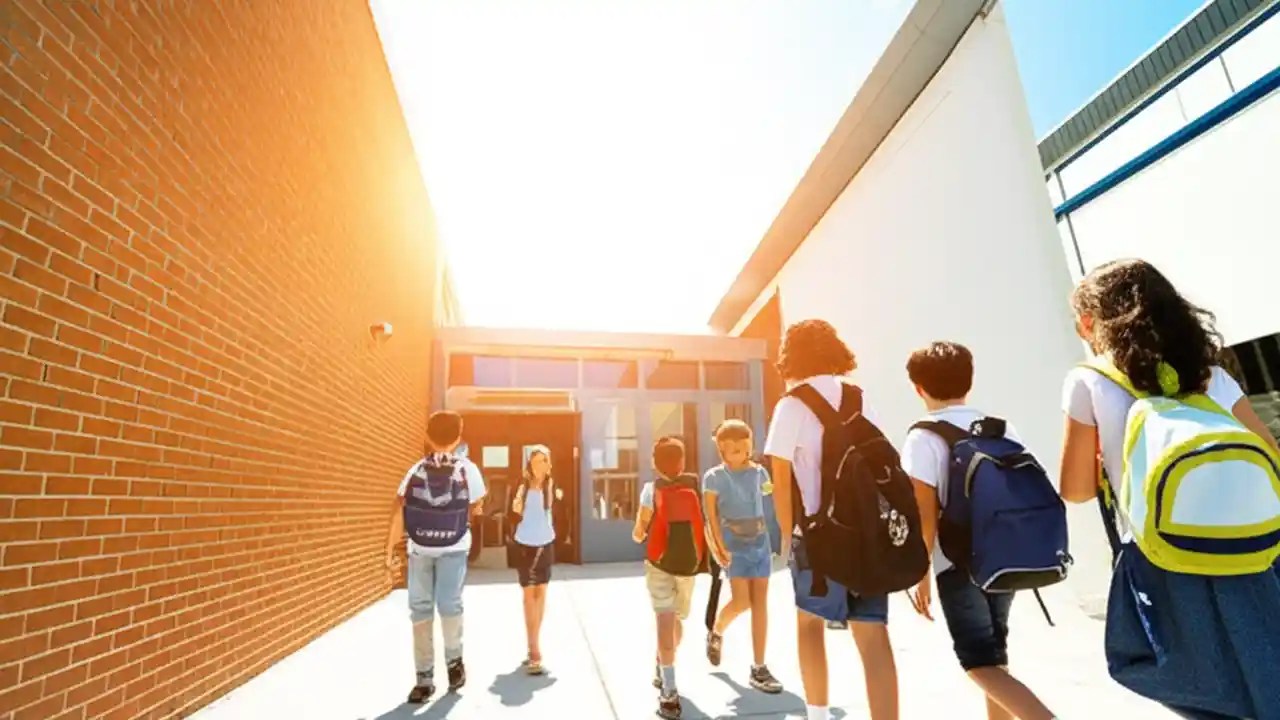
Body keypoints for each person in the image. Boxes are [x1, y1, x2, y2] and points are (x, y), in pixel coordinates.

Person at [1057, 259, 1280, 717]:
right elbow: (1269, 452)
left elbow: (1075, 489)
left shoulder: (1089, 380)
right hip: (1251, 548)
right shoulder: (1210, 375)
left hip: (1163, 555)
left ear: (1090, 321)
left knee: (1200, 685)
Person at [900, 342, 1056, 720]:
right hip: (1004, 555)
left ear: (918, 388)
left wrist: (919, 572)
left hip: (957, 563)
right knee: (995, 656)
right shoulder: (1002, 428)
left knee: (977, 662)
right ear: (969, 381)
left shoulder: (922, 437)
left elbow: (924, 513)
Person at [764, 319, 899, 720]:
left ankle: (819, 715)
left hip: (818, 533)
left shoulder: (791, 405)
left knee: (809, 624)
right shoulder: (860, 397)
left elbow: (781, 475)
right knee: (873, 635)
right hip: (867, 532)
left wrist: (787, 536)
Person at [385, 411, 487, 704]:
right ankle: (454, 664)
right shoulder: (468, 469)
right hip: (454, 547)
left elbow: (398, 510)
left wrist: (390, 550)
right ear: (458, 438)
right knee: (450, 604)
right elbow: (477, 505)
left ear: (427, 436)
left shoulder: (415, 469)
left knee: (420, 609)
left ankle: (424, 679)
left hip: (419, 549)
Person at [703, 420, 784, 694]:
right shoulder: (713, 478)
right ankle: (717, 630)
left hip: (760, 544)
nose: (740, 452)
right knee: (742, 601)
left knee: (760, 603)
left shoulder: (761, 473)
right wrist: (717, 546)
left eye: (745, 446)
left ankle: (759, 667)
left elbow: (771, 498)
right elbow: (711, 516)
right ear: (722, 450)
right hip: (733, 546)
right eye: (733, 448)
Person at [634, 436, 709, 720]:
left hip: (659, 564)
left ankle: (669, 692)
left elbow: (640, 530)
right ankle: (664, 666)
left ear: (654, 463)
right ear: (683, 462)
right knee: (677, 621)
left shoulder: (649, 490)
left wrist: (640, 533)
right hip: (688, 566)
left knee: (664, 619)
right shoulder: (696, 487)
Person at [509, 445, 568, 676]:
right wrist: (517, 505)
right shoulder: (521, 486)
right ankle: (534, 648)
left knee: (541, 594)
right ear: (529, 463)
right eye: (536, 460)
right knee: (528, 595)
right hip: (524, 544)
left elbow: (558, 514)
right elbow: (512, 513)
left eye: (544, 459)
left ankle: (534, 642)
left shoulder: (552, 486)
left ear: (549, 463)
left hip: (545, 544)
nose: (540, 464)